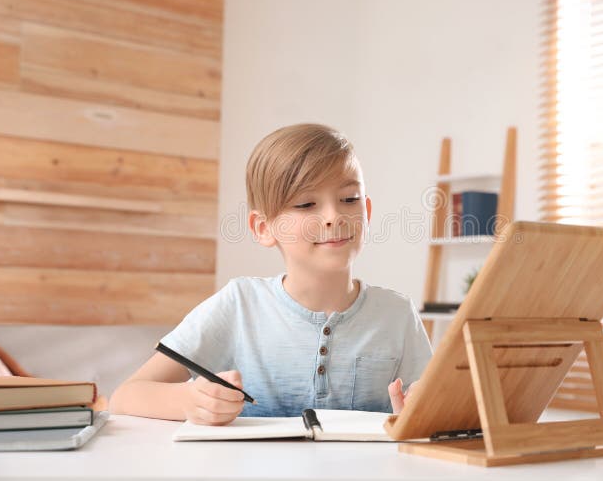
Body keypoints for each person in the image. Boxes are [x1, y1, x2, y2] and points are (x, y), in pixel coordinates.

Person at [109, 123, 432, 425]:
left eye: (349, 199)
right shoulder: (239, 304)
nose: (334, 216)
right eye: (306, 204)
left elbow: (435, 406)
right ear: (264, 228)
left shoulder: (397, 314)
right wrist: (189, 401)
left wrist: (424, 411)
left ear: (367, 212)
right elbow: (125, 397)